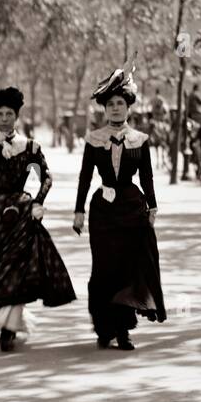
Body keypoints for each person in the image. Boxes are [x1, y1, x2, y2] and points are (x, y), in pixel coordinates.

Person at [0, 86, 76, 352]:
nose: (5, 118)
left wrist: (38, 202)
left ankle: (7, 329)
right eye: (0, 114)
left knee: (16, 266)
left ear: (17, 116)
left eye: (10, 113)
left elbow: (47, 176)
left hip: (20, 211)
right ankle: (11, 316)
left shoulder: (30, 146)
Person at [73, 64, 166, 350]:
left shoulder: (140, 140)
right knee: (103, 270)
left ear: (129, 108)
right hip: (103, 211)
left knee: (127, 269)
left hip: (131, 209)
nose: (115, 108)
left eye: (120, 104)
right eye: (111, 104)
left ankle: (124, 330)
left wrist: (152, 206)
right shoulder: (94, 139)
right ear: (104, 108)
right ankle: (104, 327)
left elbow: (147, 176)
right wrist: (79, 211)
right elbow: (86, 176)